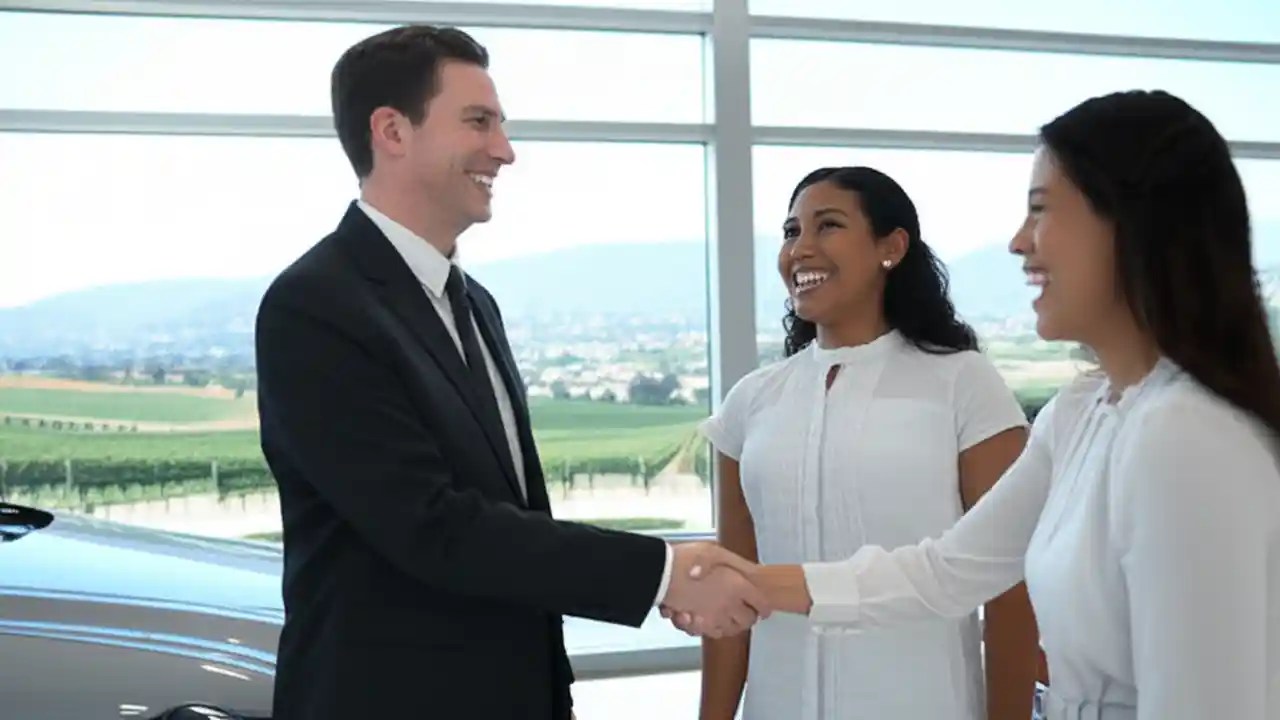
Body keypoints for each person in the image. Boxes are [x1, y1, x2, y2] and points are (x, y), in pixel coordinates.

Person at [677, 90, 1280, 720]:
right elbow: (949, 569)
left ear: (1132, 224)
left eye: (1042, 211)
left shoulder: (1188, 436)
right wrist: (750, 581)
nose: (1020, 242)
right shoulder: (1080, 414)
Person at [254, 25, 767, 720]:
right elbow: (433, 527)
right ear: (392, 131)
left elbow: (510, 516)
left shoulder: (475, 306)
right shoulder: (315, 305)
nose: (505, 150)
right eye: (479, 122)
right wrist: (664, 573)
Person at [695, 166, 1039, 720]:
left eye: (827, 226)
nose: (800, 250)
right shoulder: (751, 402)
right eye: (790, 232)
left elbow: (1012, 586)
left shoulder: (963, 384)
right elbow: (729, 595)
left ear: (892, 246)